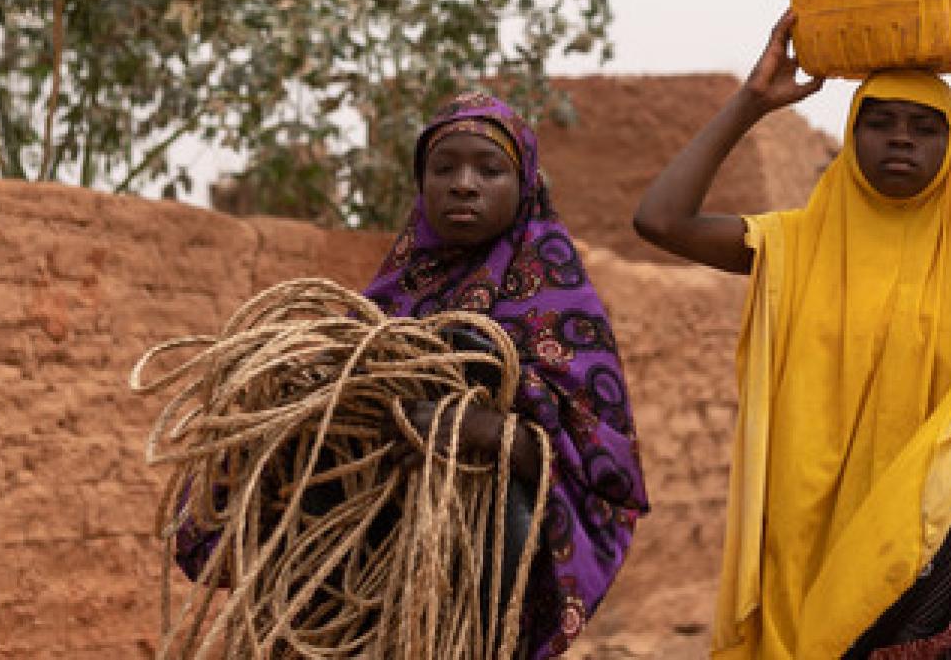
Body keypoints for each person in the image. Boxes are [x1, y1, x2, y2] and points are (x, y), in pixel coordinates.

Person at [633, 12, 951, 660]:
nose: (901, 139)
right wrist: (750, 102)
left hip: (932, 537)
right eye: (879, 122)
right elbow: (661, 220)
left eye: (926, 126)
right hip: (809, 534)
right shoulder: (795, 244)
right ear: (852, 135)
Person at [175, 90, 649, 658]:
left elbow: (602, 471)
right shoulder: (387, 302)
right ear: (421, 183)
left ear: (525, 185)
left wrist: (487, 432)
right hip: (357, 577)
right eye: (443, 169)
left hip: (476, 582)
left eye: (489, 170)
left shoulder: (565, 308)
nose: (463, 184)